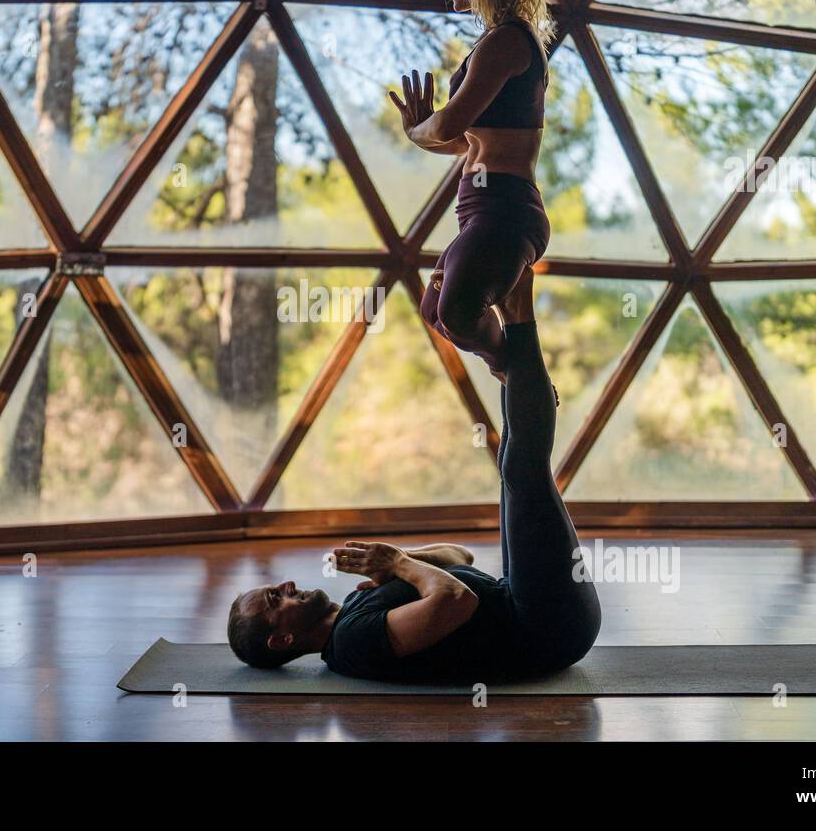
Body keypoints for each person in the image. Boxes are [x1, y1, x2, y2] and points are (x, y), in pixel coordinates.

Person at [226, 270, 601, 683]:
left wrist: (398, 563)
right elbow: (455, 600)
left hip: (520, 599)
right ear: (281, 640)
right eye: (273, 600)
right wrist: (401, 566)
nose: (286, 584)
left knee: (513, 465)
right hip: (546, 628)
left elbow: (460, 557)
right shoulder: (351, 642)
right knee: (522, 472)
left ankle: (518, 379)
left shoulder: (355, 604)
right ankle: (518, 315)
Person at [392, 0, 553, 379]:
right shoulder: (499, 40)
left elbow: (449, 124)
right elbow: (466, 140)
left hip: (505, 210)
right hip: (480, 209)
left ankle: (517, 368)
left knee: (459, 312)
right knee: (435, 310)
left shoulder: (506, 41)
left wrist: (419, 131)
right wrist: (428, 133)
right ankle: (513, 366)